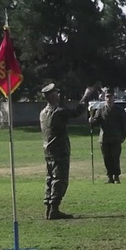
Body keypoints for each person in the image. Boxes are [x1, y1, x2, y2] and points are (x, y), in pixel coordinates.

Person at [39, 83, 98, 220]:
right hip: (60, 150)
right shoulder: (58, 112)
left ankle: (49, 207)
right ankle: (54, 209)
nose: (58, 95)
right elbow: (77, 112)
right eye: (56, 93)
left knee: (50, 179)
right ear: (53, 96)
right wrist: (86, 95)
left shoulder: (43, 113)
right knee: (60, 179)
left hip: (48, 150)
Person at [89, 90, 126, 183]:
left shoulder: (119, 110)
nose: (109, 99)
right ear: (104, 98)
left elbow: (125, 124)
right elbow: (96, 123)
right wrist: (91, 121)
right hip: (104, 139)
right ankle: (109, 176)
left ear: (114, 98)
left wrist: (123, 136)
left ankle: (116, 176)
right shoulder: (101, 110)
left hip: (116, 138)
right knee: (106, 158)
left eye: (110, 97)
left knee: (115, 158)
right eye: (107, 97)